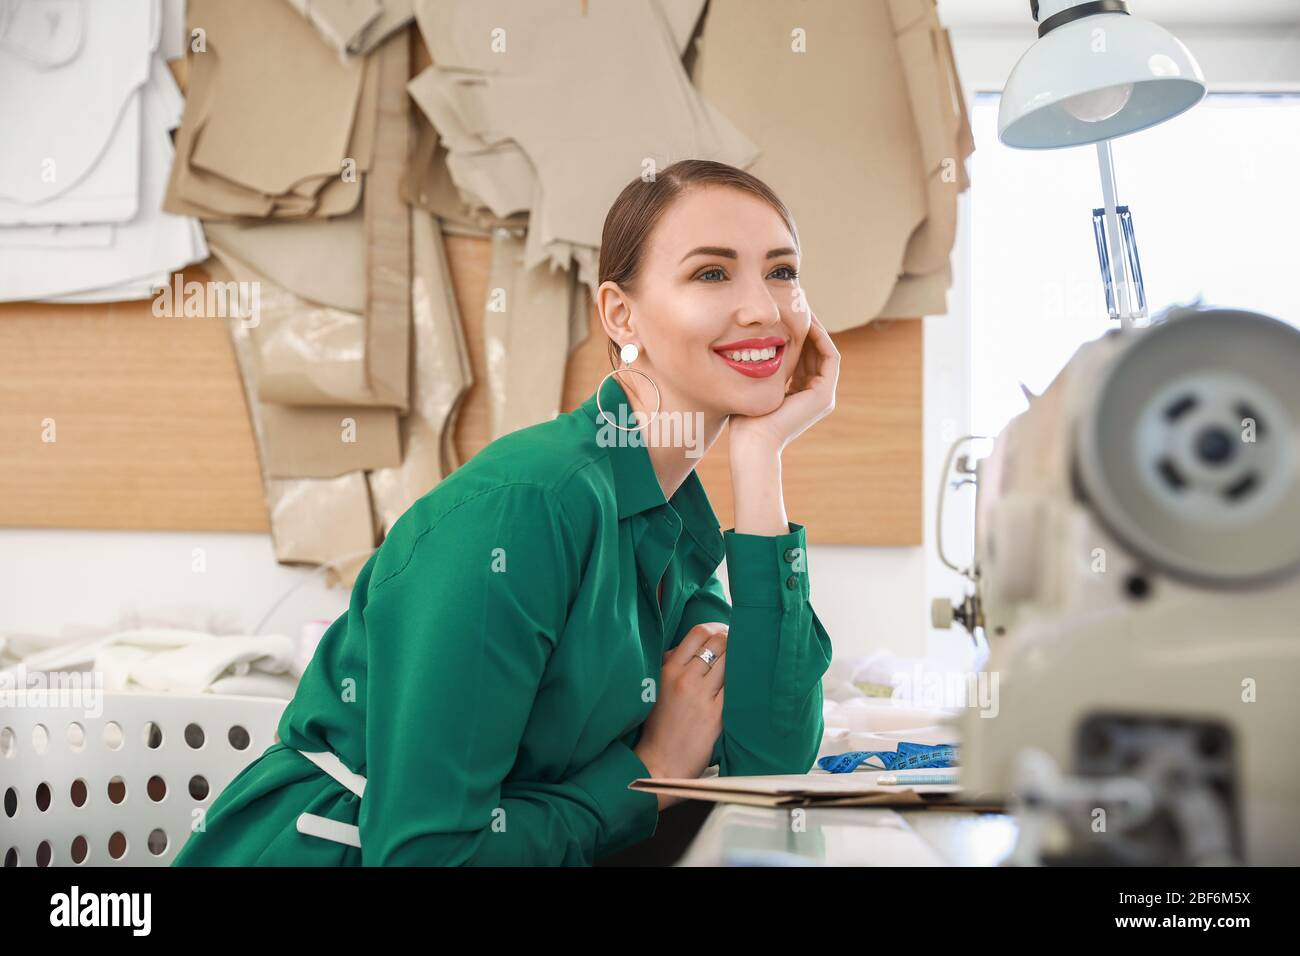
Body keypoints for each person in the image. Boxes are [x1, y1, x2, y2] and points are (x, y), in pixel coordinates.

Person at [172, 159, 838, 866]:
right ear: (621, 314)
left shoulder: (671, 519)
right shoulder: (528, 511)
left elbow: (768, 771)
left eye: (782, 272)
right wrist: (644, 778)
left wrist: (761, 459)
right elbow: (429, 856)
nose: (764, 308)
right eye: (712, 273)